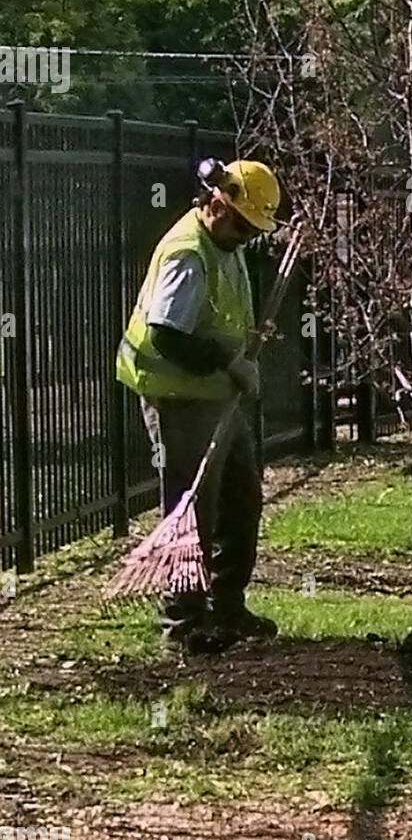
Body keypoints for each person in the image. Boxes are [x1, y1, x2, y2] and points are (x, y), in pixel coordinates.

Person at [116, 158, 281, 654]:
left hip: (215, 398)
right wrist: (229, 361)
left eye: (255, 230)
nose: (247, 236)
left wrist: (240, 351)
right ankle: (182, 624)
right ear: (217, 203)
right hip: (178, 399)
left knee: (240, 499)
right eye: (243, 224)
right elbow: (168, 337)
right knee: (192, 511)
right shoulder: (188, 254)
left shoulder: (222, 243)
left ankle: (227, 607)